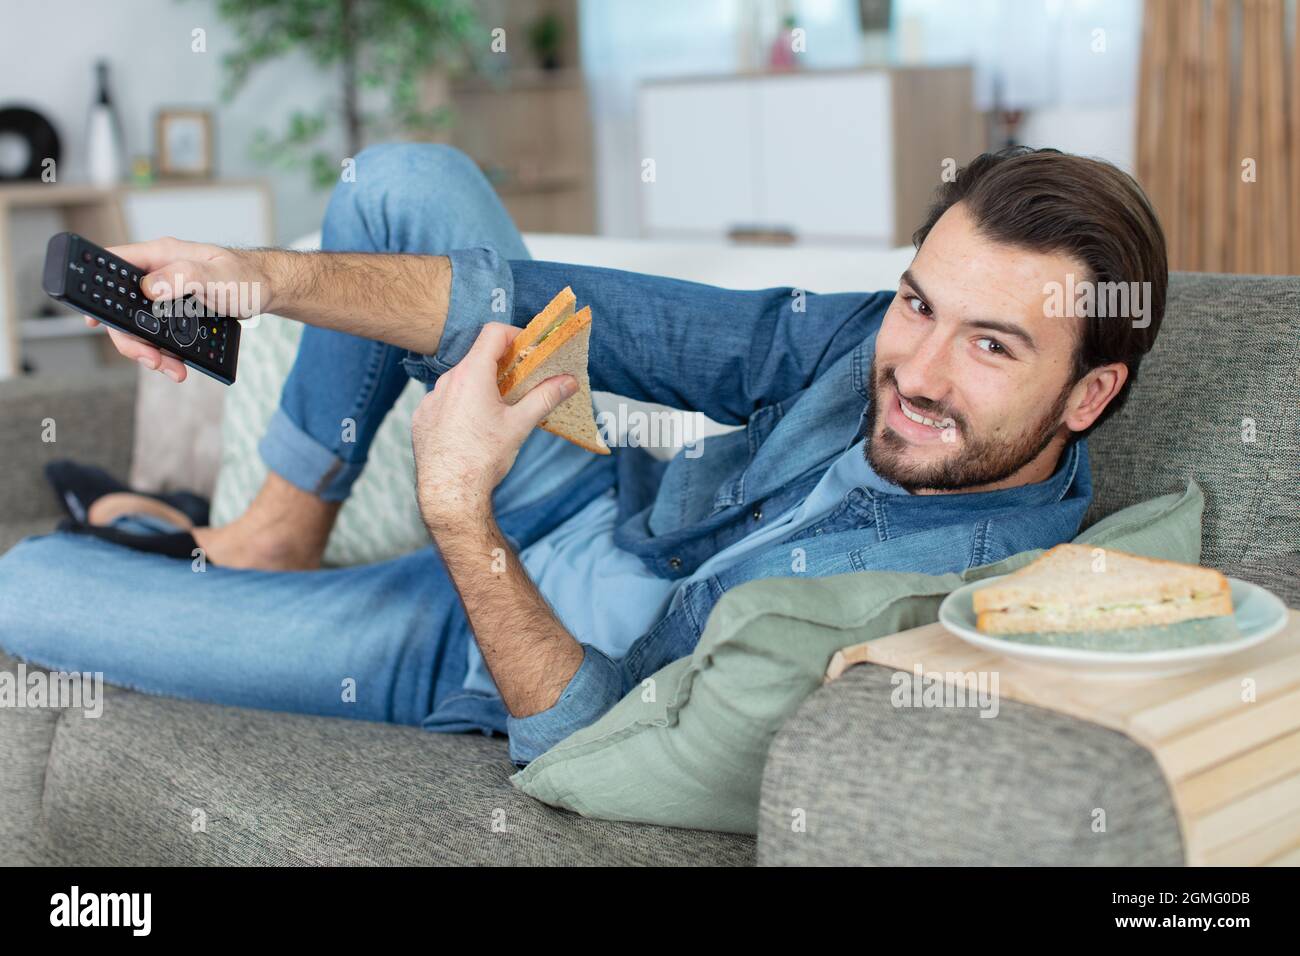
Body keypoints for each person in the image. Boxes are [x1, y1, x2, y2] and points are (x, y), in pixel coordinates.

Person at [0, 144, 1167, 765]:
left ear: (1089, 391)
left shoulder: (959, 595)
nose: (914, 368)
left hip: (489, 633)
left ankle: (182, 544)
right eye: (918, 305)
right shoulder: (866, 337)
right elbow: (603, 314)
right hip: (585, 494)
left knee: (24, 582)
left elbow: (595, 740)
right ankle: (267, 536)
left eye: (991, 344)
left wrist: (459, 508)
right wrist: (265, 278)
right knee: (400, 183)